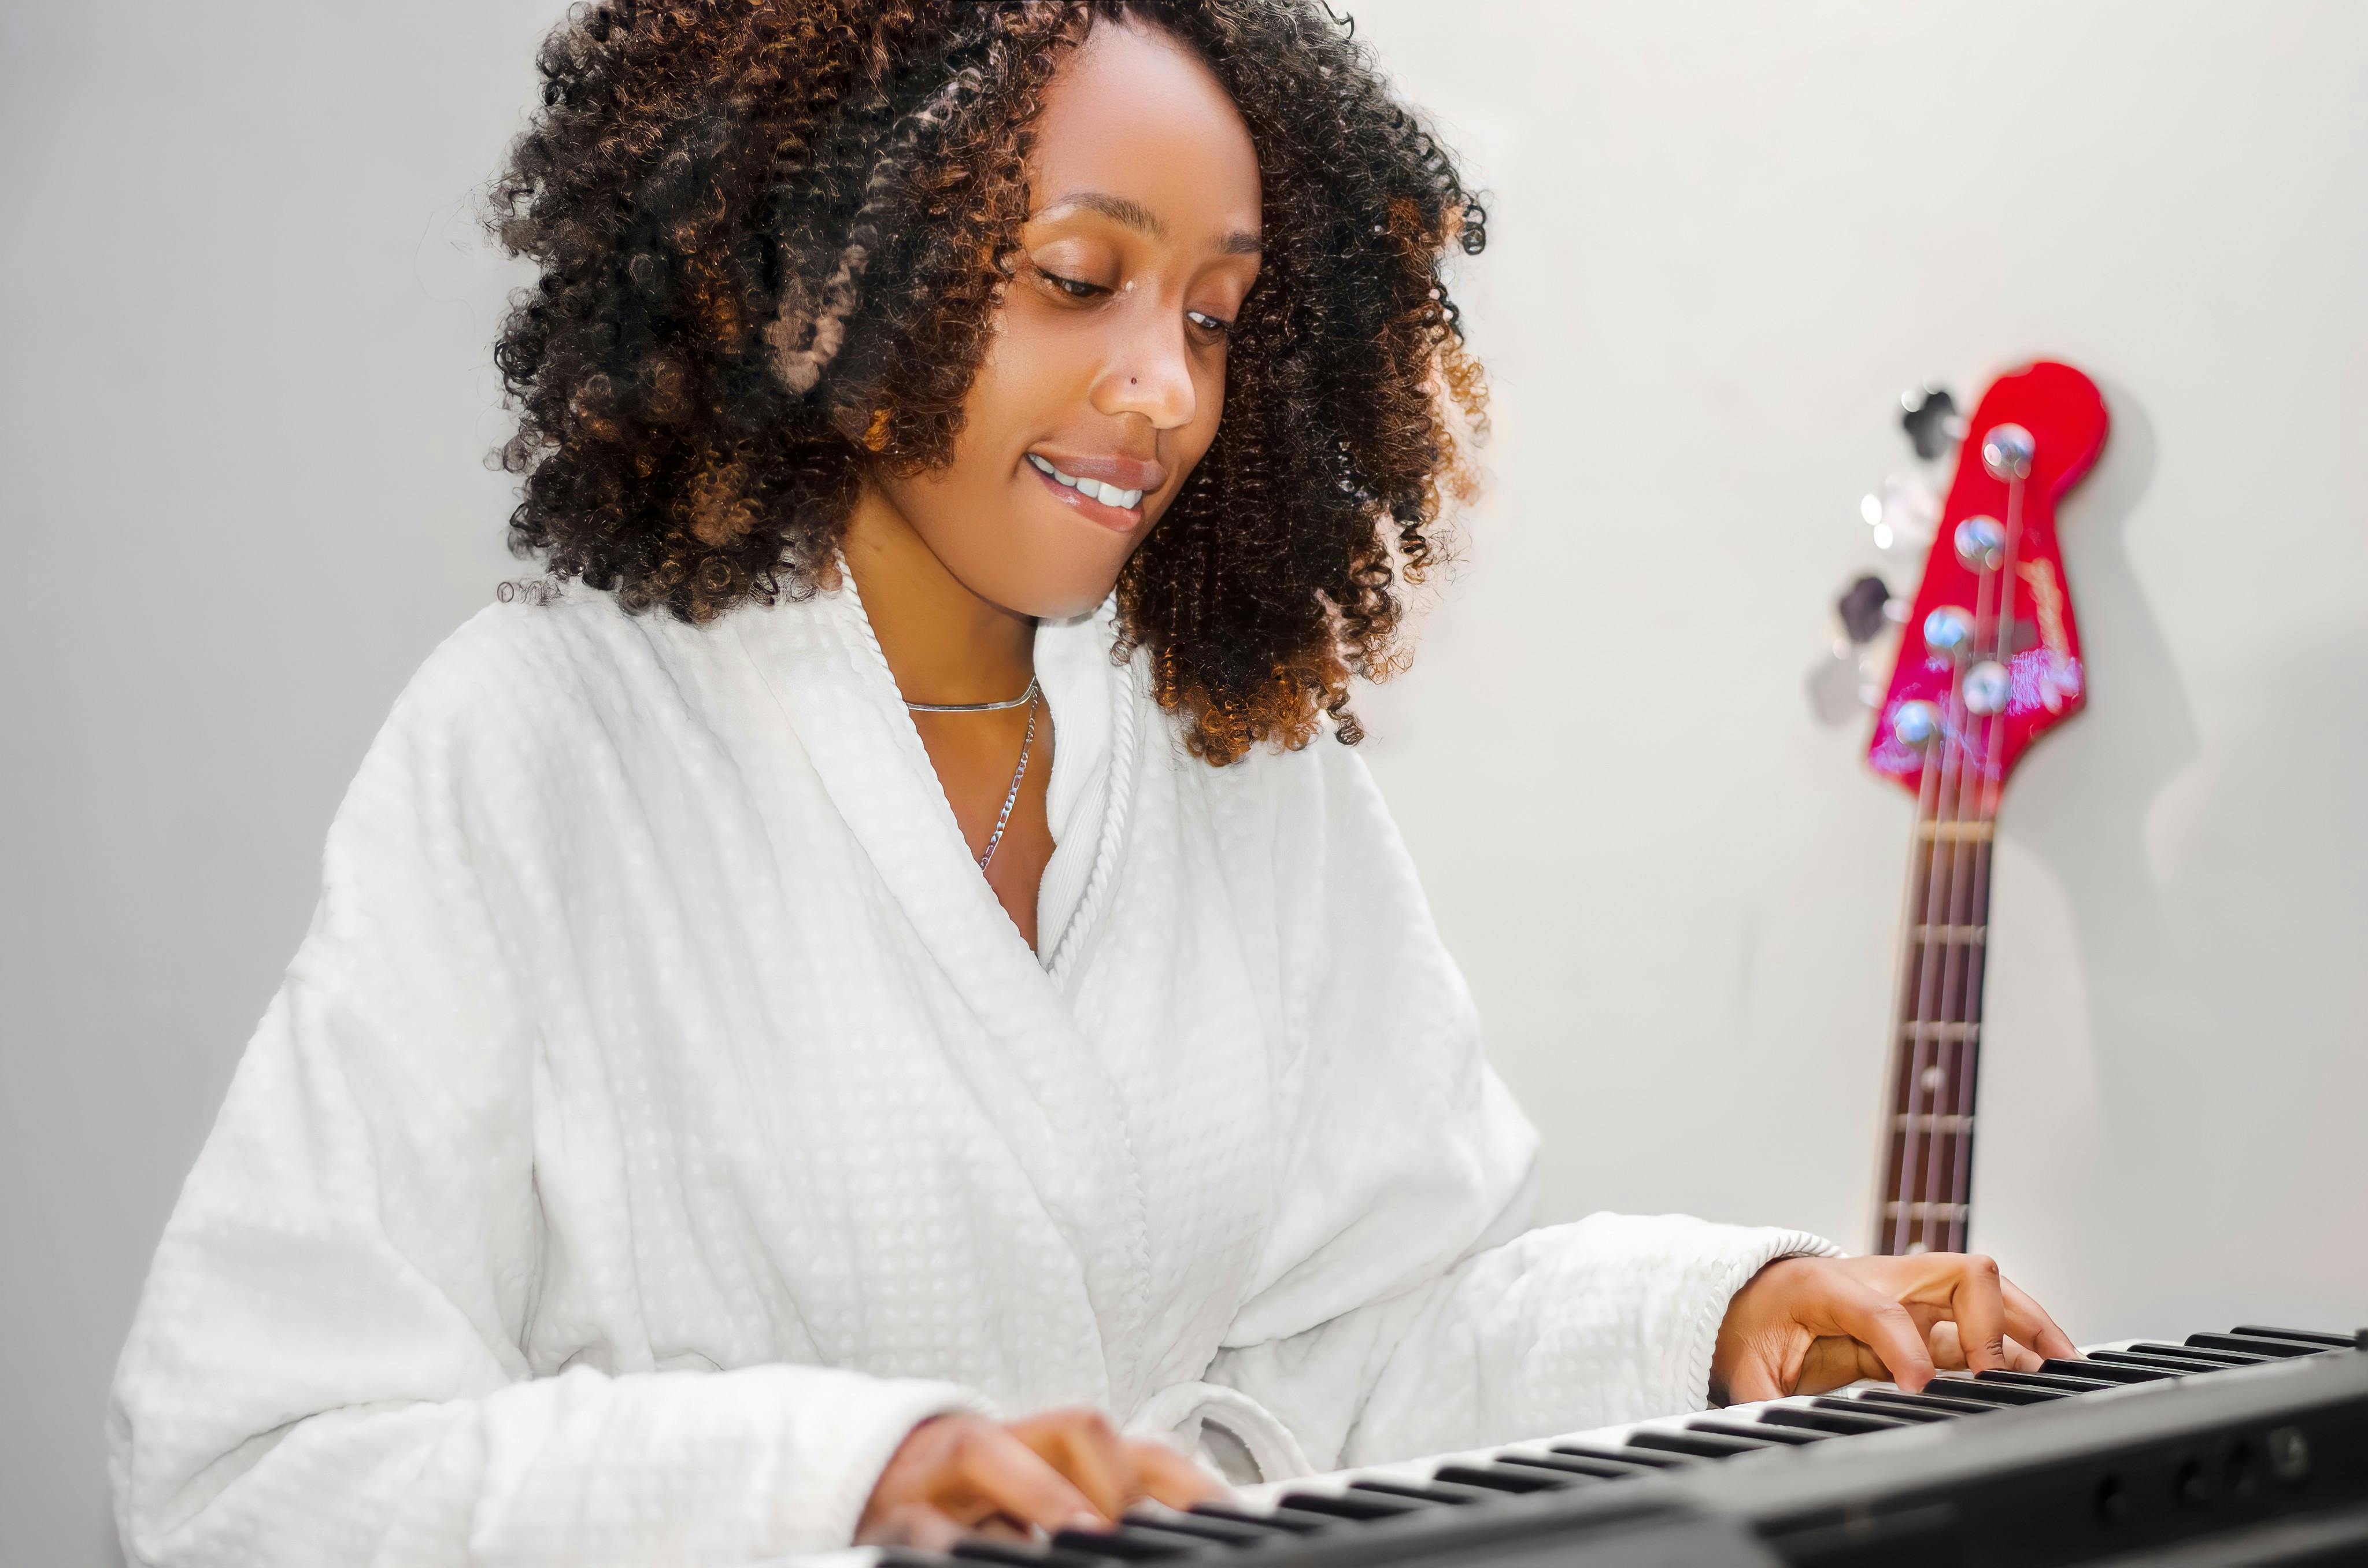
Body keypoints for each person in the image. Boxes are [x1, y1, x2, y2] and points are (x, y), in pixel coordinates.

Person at [106, 2, 2075, 1563]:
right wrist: (863, 1477)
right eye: (1076, 277)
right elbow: (252, 1475)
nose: (1166, 390)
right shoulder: (543, 749)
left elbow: (1361, 1343)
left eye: (1215, 315)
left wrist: (1720, 1317)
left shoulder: (1239, 764)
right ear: (822, 268)